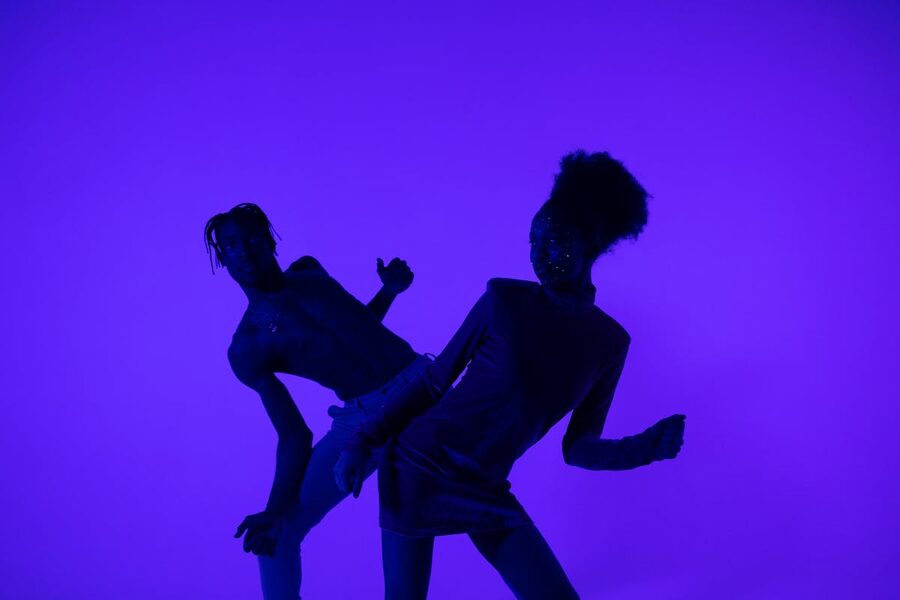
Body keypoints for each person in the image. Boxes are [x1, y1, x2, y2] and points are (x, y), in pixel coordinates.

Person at [334, 151, 686, 599]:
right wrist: (362, 442)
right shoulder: (502, 299)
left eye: (554, 241)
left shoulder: (610, 342)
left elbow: (577, 449)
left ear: (590, 243)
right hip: (418, 464)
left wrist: (641, 449)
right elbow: (433, 382)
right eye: (532, 241)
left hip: (486, 487)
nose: (539, 255)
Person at [204, 203, 430, 600]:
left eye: (251, 238)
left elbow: (356, 327)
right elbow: (293, 434)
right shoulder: (247, 347)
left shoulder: (309, 271)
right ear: (222, 257)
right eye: (232, 245)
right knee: (277, 535)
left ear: (269, 239)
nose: (244, 250)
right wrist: (274, 510)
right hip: (360, 418)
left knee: (461, 502)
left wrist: (388, 292)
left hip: (420, 387)